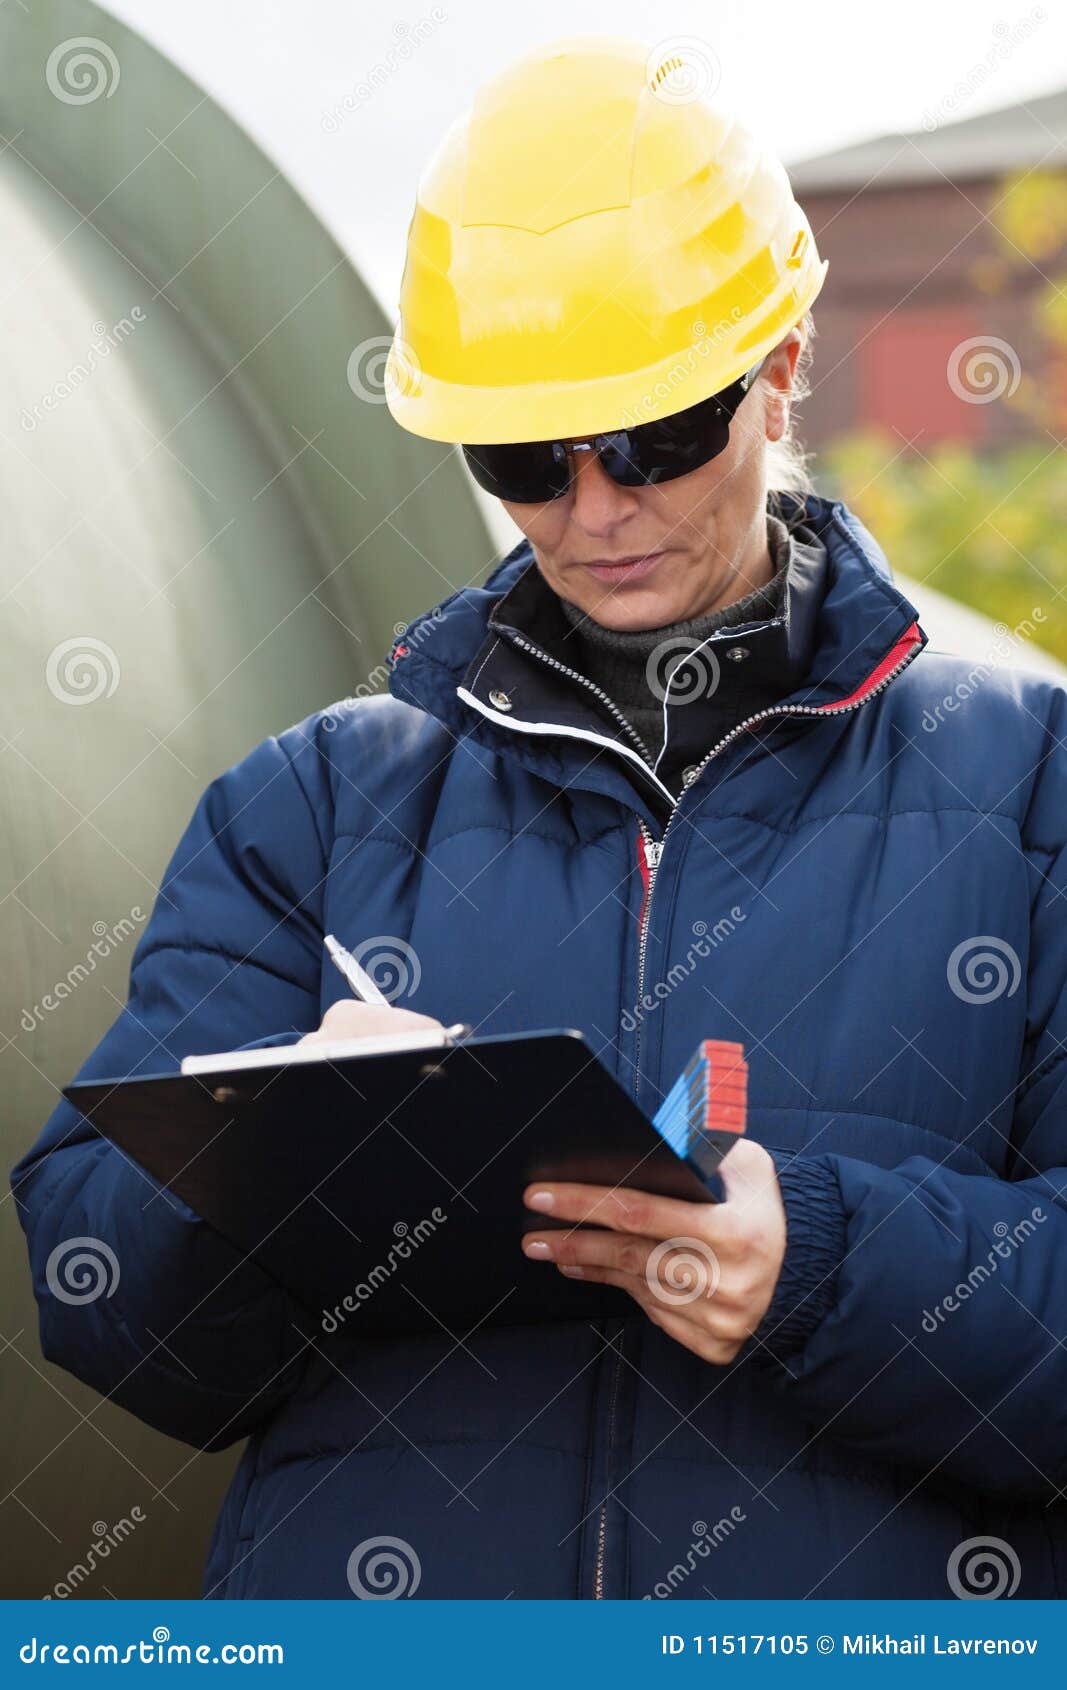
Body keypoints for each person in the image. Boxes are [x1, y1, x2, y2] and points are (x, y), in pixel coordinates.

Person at [12, 36, 1067, 1601]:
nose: (593, 506)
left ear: (783, 364)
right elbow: (103, 1302)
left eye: (651, 436)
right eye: (524, 454)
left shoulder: (1029, 791)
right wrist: (265, 1183)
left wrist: (827, 1267)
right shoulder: (307, 811)